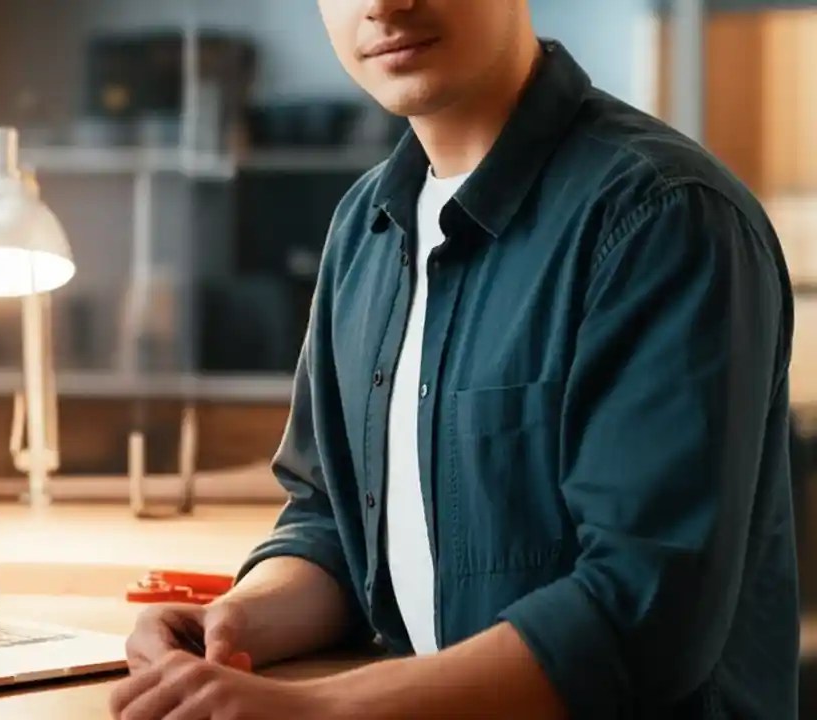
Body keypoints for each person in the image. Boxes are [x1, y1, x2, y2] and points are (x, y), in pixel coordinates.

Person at [110, 0, 799, 718]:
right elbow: (335, 529)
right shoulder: (365, 227)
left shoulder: (660, 220)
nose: (383, 4)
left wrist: (319, 711)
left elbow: (638, 617)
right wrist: (237, 618)